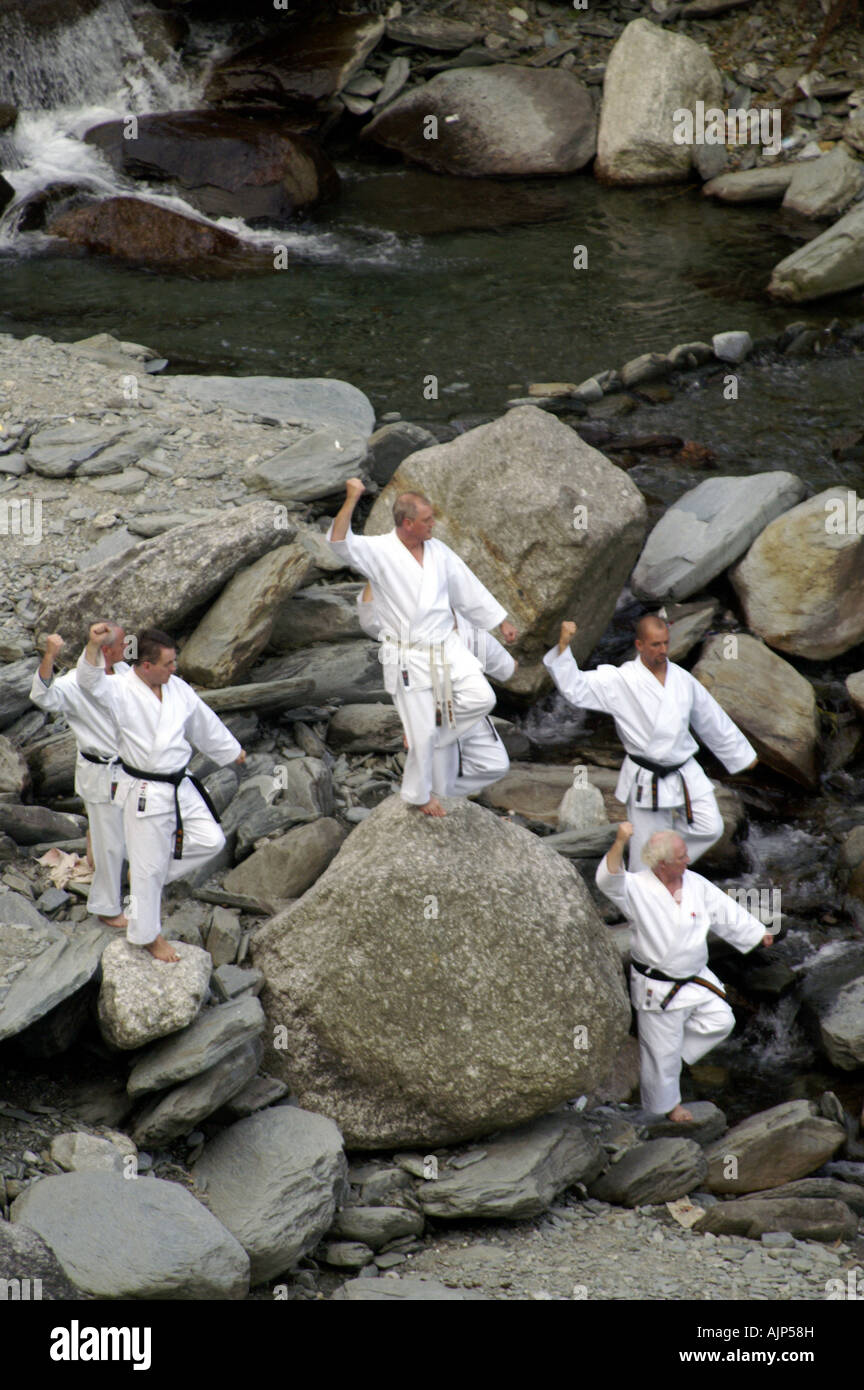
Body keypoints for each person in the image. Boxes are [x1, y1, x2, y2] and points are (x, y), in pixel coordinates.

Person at [329, 479, 518, 817]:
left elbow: (468, 587)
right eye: (428, 519)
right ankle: (417, 793)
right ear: (407, 523)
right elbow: (339, 542)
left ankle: (434, 739)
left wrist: (499, 620)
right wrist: (352, 498)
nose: (434, 524)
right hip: (408, 653)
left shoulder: (440, 552)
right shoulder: (379, 551)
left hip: (445, 645)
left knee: (482, 698)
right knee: (420, 733)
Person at [77, 623, 246, 963]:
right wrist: (94, 647)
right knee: (148, 869)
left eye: (174, 663)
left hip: (180, 783)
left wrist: (231, 751)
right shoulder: (119, 690)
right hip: (144, 791)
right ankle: (148, 936)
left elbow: (204, 722)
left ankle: (145, 876)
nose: (174, 669)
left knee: (211, 840)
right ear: (145, 665)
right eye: (168, 664)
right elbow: (89, 682)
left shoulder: (178, 688)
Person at [545, 614, 757, 869]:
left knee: (710, 827)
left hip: (684, 770)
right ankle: (643, 892)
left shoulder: (682, 679)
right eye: (656, 645)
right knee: (644, 854)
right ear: (639, 645)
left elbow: (710, 718)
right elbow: (576, 688)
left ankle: (666, 862)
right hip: (647, 777)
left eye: (666, 643)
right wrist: (563, 646)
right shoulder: (620, 680)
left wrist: (740, 754)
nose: (663, 650)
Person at [597, 820, 773, 1121]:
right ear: (663, 863)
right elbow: (608, 879)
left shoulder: (694, 882)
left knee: (720, 1020)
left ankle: (670, 1059)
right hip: (659, 988)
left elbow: (723, 910)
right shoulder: (637, 888)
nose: (688, 859)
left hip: (695, 979)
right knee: (660, 1057)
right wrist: (619, 842)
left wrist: (756, 933)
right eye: (681, 856)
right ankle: (663, 1109)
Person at [356, 581, 514, 797]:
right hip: (434, 712)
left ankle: (448, 798)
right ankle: (433, 803)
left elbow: (507, 668)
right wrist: (372, 576)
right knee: (440, 782)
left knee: (494, 764)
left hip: (469, 713)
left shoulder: (471, 630)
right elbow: (370, 622)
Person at [29, 626, 129, 927]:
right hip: (99, 770)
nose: (129, 646)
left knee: (126, 828)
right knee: (110, 841)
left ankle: (103, 859)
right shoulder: (74, 682)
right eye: (124, 642)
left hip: (130, 767)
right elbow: (43, 696)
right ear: (107, 650)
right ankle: (107, 908)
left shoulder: (125, 672)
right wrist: (49, 655)